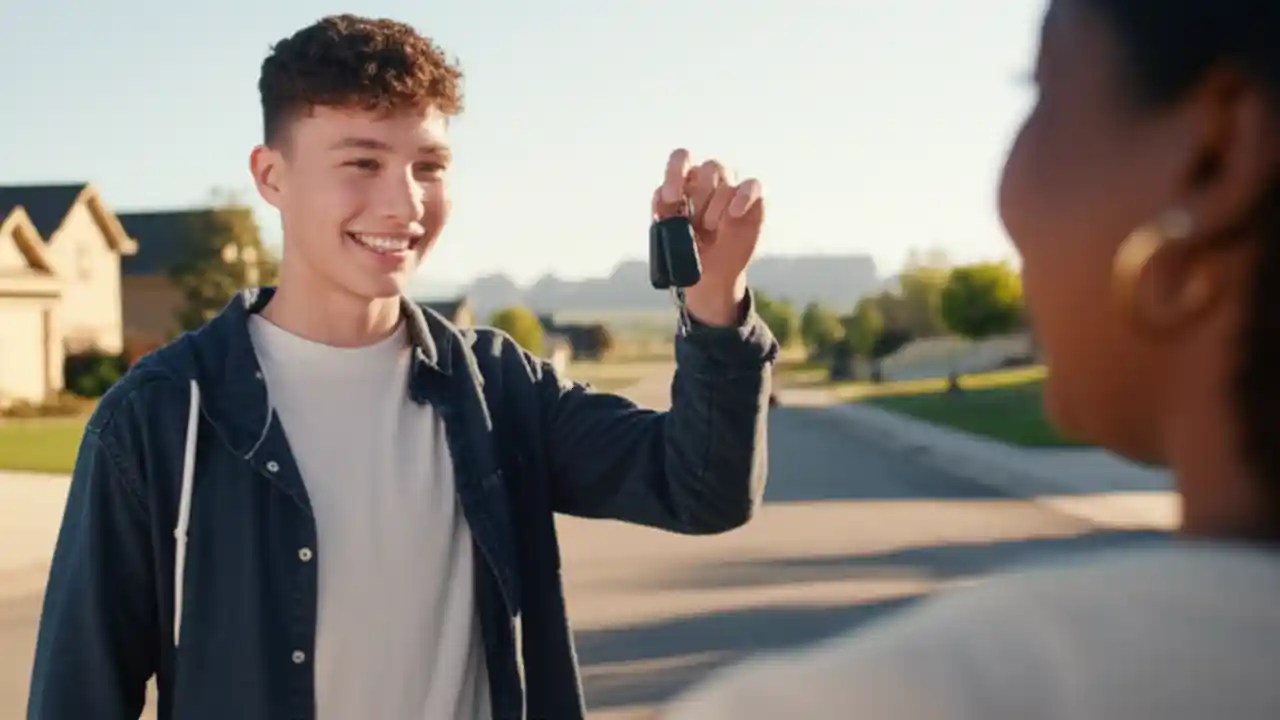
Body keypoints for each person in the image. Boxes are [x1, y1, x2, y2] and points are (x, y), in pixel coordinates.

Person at [26, 14, 777, 720]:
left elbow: (703, 490)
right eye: (362, 162)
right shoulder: (160, 418)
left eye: (429, 165)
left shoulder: (497, 388)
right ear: (271, 176)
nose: (404, 204)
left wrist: (716, 299)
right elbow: (79, 696)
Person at [665, 0, 1280, 717]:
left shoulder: (874, 700)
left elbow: (697, 489)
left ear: (1215, 154)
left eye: (1040, 89)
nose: (1005, 193)